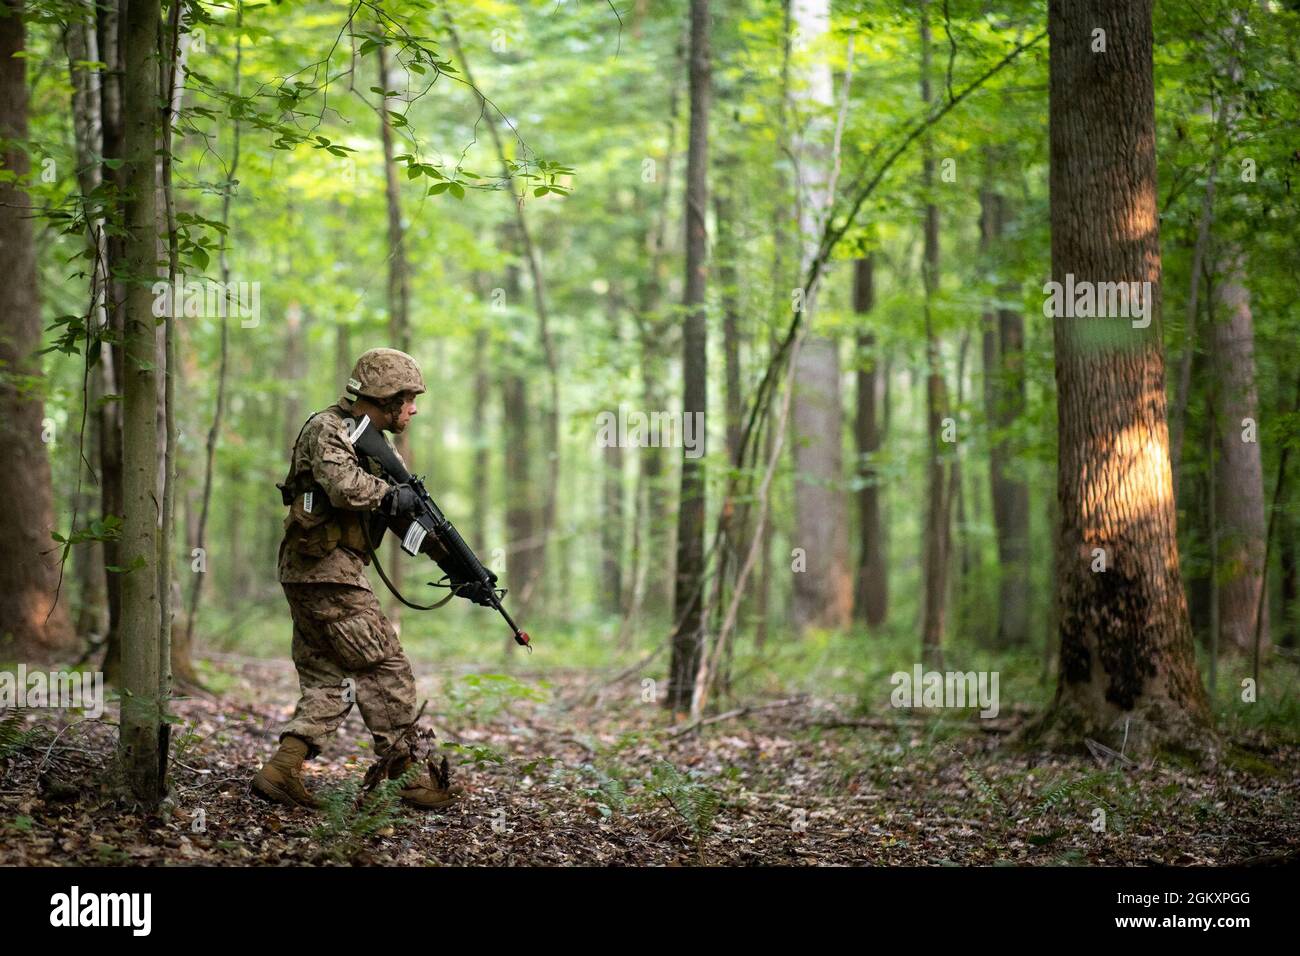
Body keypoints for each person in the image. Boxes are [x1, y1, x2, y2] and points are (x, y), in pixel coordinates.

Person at [252, 347, 459, 810]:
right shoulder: (328, 429)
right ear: (384, 397)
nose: (413, 408)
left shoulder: (377, 447)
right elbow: (344, 488)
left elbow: (403, 519)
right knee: (384, 668)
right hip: (327, 573)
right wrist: (393, 495)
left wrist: (457, 568)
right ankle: (407, 778)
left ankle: (282, 770)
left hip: (321, 574)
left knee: (328, 679)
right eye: (407, 398)